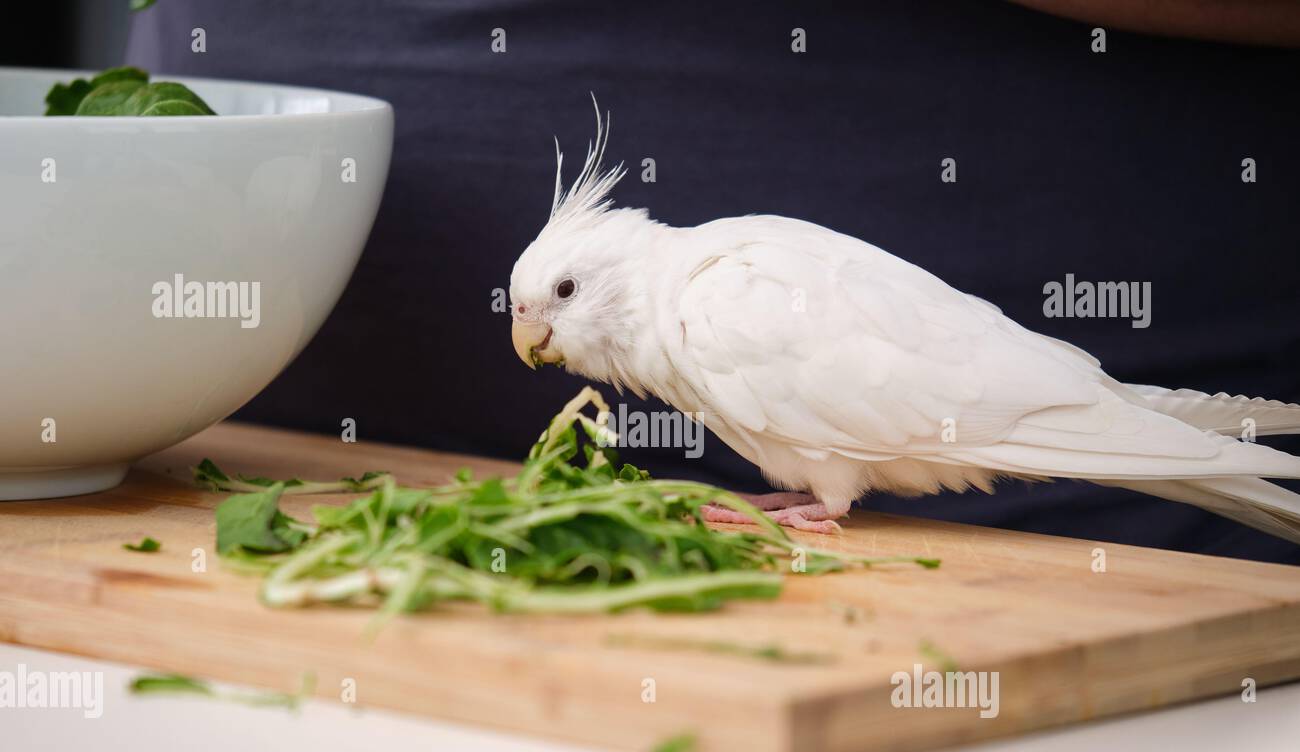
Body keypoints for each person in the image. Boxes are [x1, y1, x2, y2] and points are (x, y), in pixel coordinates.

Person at [126, 0, 1300, 561]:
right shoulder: (691, 302)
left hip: (1079, 544)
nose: (535, 333)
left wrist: (824, 497)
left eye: (556, 302)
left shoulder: (719, 301)